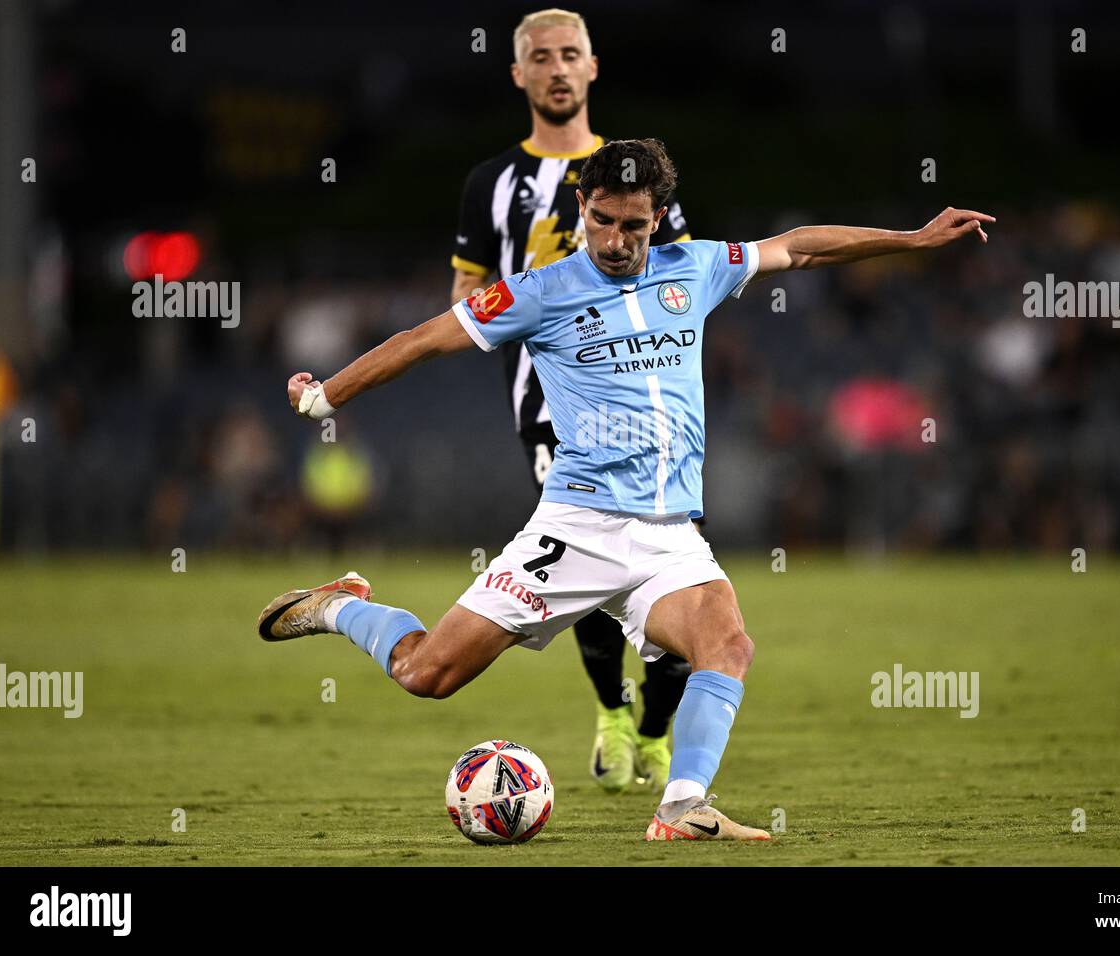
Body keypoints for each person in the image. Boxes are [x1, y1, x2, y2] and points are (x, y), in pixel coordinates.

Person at [259, 137, 994, 840]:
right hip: (577, 527)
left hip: (671, 535)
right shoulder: (537, 292)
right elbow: (421, 340)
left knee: (727, 643)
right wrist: (326, 396)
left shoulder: (696, 267)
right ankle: (341, 608)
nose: (615, 240)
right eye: (603, 220)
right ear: (583, 207)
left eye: (633, 225)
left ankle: (683, 806)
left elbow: (799, 246)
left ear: (659, 218)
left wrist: (912, 239)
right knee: (427, 674)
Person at [449, 8, 692, 794]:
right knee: (582, 557)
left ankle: (654, 727)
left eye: (570, 55)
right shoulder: (491, 183)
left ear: (593, 68)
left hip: (648, 407)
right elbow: (467, 290)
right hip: (549, 401)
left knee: (669, 566)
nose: (557, 69)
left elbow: (679, 277)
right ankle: (614, 712)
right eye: (540, 58)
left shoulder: (634, 176)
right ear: (518, 74)